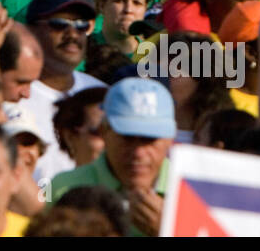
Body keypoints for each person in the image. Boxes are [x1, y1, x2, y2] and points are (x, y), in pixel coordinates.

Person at [49, 77, 176, 236]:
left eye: (149, 139)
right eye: (127, 138)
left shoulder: (195, 195)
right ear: (104, 132)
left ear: (171, 139)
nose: (138, 152)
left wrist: (172, 231)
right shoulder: (62, 188)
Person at [17, 0, 106, 183]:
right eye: (59, 24)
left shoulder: (102, 95)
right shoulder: (12, 96)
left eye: (81, 25)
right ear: (32, 30)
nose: (73, 34)